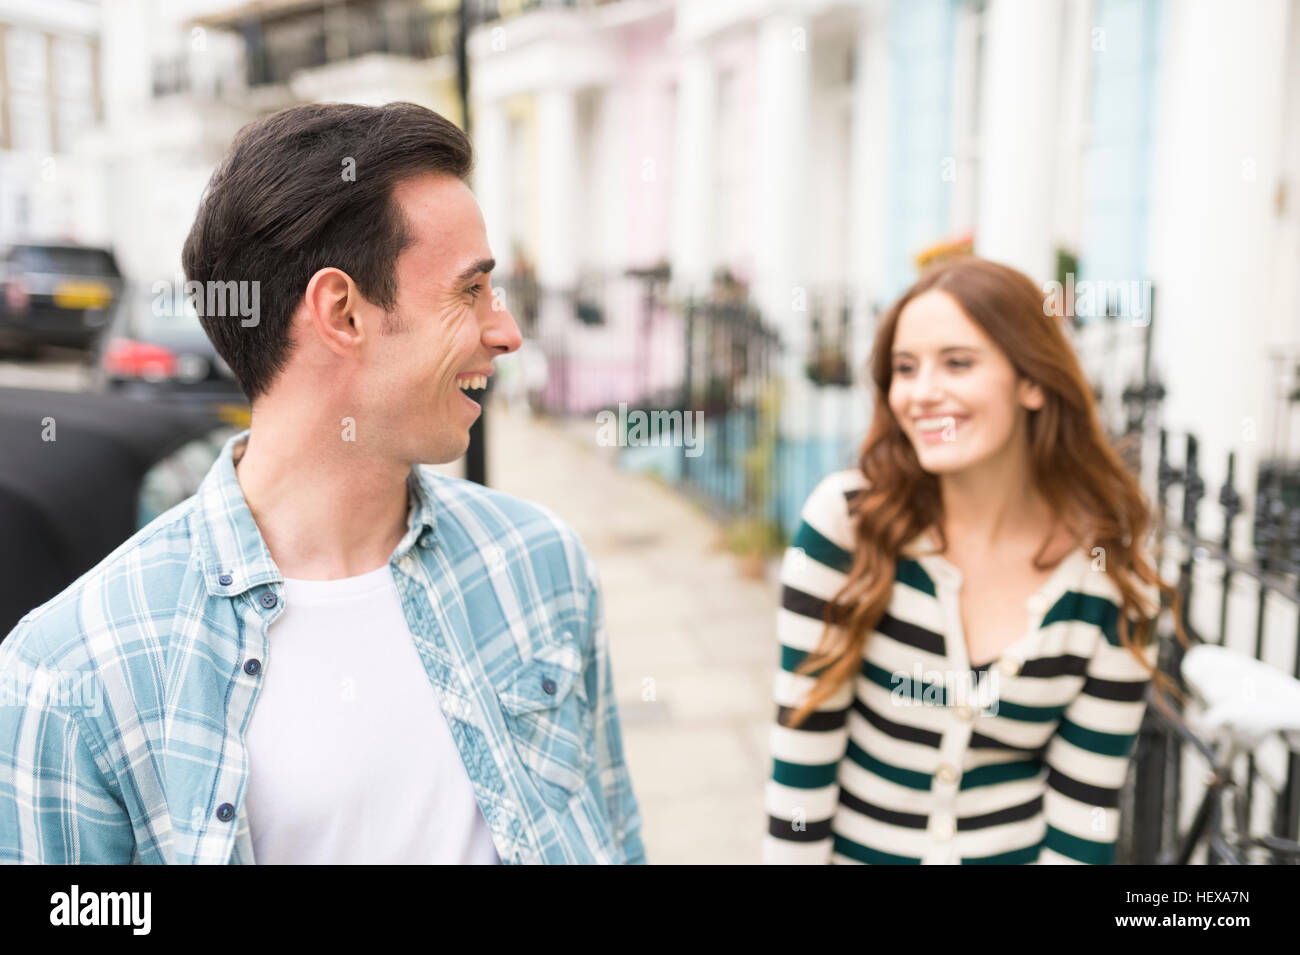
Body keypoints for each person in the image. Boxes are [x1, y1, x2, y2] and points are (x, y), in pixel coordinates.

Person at [0, 102, 644, 865]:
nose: (505, 331)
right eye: (470, 290)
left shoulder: (542, 564)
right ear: (341, 311)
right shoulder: (72, 675)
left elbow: (618, 841)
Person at [765, 256, 1185, 865]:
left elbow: (1084, 811)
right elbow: (801, 763)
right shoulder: (848, 526)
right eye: (905, 369)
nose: (922, 392)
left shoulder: (1114, 581)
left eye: (957, 363)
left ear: (1032, 382)